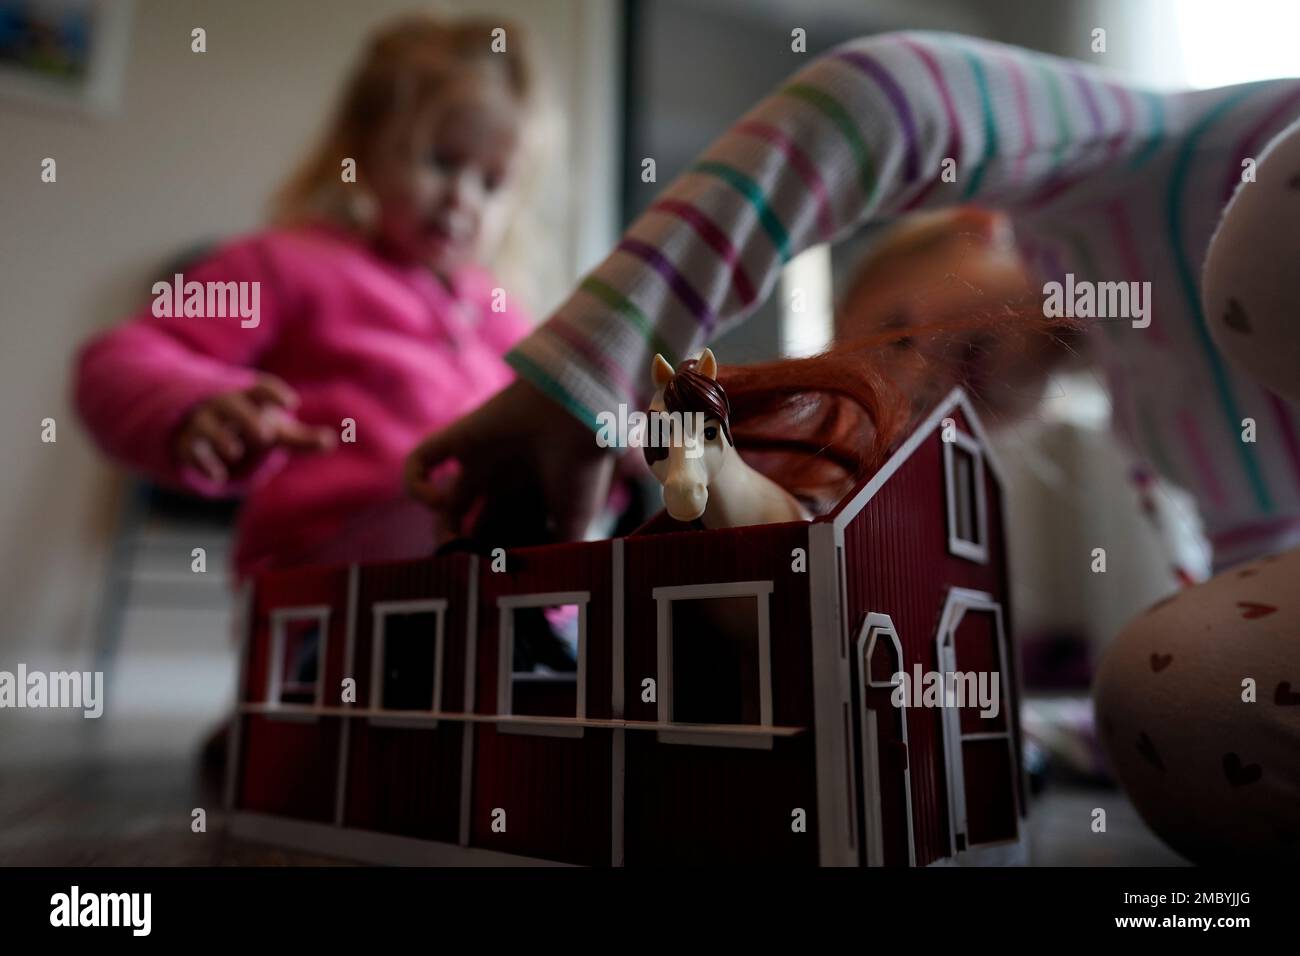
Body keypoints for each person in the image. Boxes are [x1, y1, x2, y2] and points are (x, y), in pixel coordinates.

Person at [406, 31, 1300, 862]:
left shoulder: (1115, 172)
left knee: (1263, 255)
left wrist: (588, 365)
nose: (932, 378)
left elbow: (882, 98)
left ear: (971, 222)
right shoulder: (1166, 439)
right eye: (913, 395)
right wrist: (1023, 728)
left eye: (903, 329)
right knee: (1175, 694)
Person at [75, 13, 547, 577]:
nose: (464, 199)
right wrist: (194, 404)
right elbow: (118, 360)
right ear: (365, 151)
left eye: (493, 182)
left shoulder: (502, 314)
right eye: (441, 161)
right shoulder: (283, 265)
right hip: (330, 591)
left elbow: (551, 441)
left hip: (493, 592)